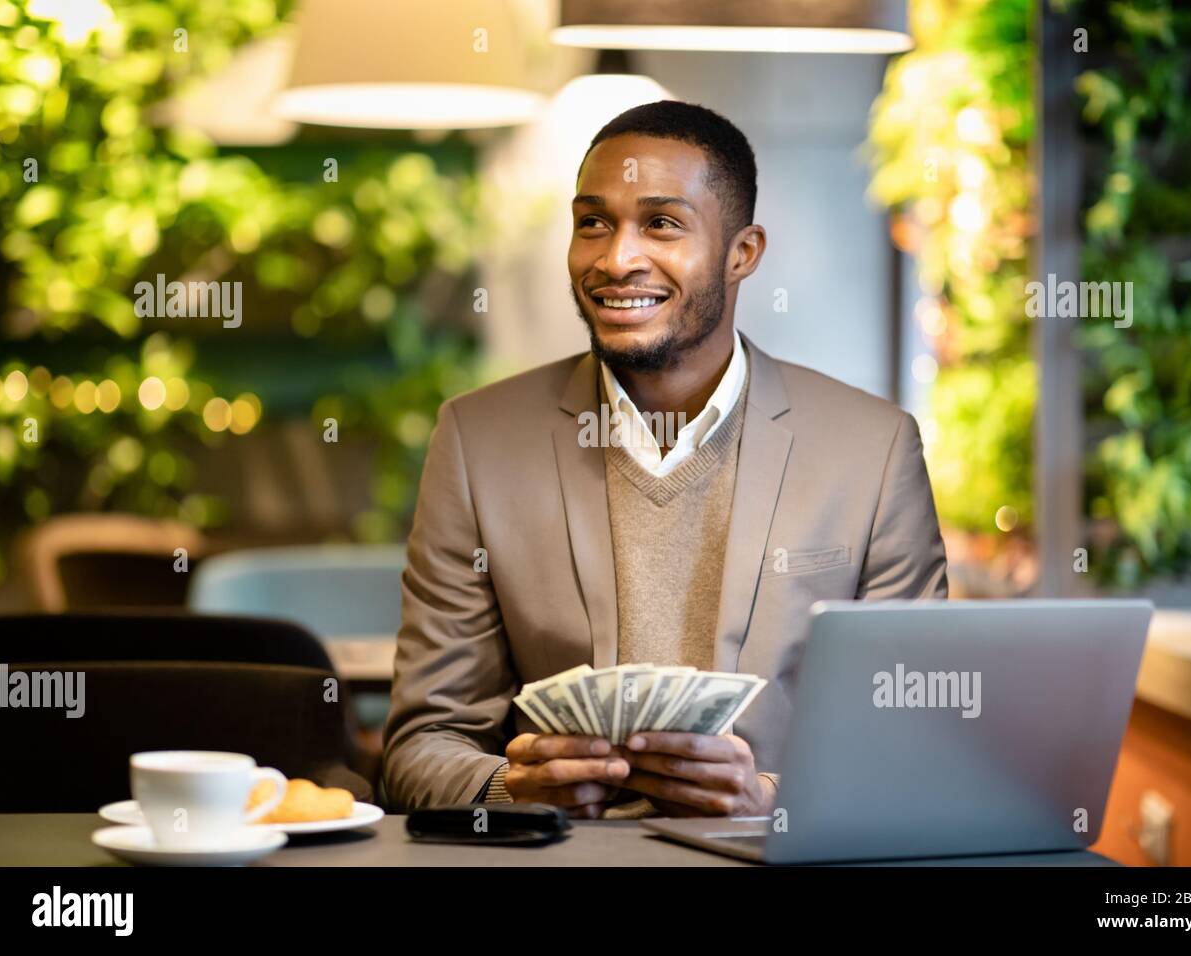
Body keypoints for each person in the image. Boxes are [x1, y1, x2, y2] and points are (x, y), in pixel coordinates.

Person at [383, 100, 947, 818]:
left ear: (742, 253)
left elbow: (915, 752)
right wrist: (510, 789)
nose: (617, 259)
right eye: (593, 222)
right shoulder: (477, 441)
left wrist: (768, 801)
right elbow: (422, 743)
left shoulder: (872, 451)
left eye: (661, 224)